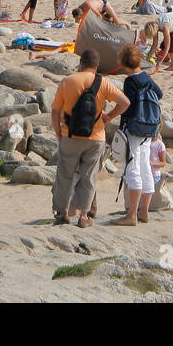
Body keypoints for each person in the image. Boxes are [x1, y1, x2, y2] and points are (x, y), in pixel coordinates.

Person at [51, 49, 128, 227]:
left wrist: (58, 131)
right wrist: (109, 117)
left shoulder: (68, 81)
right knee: (89, 176)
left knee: (64, 175)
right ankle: (84, 216)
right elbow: (125, 103)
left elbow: (55, 110)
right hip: (96, 137)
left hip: (70, 135)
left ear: (81, 63)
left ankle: (62, 214)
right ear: (96, 65)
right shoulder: (103, 83)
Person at [114, 44, 164, 226]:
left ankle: (131, 215)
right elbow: (160, 94)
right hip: (149, 128)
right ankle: (144, 212)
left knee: (132, 167)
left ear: (123, 63)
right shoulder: (146, 77)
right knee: (145, 167)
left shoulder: (130, 82)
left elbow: (128, 106)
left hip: (134, 128)